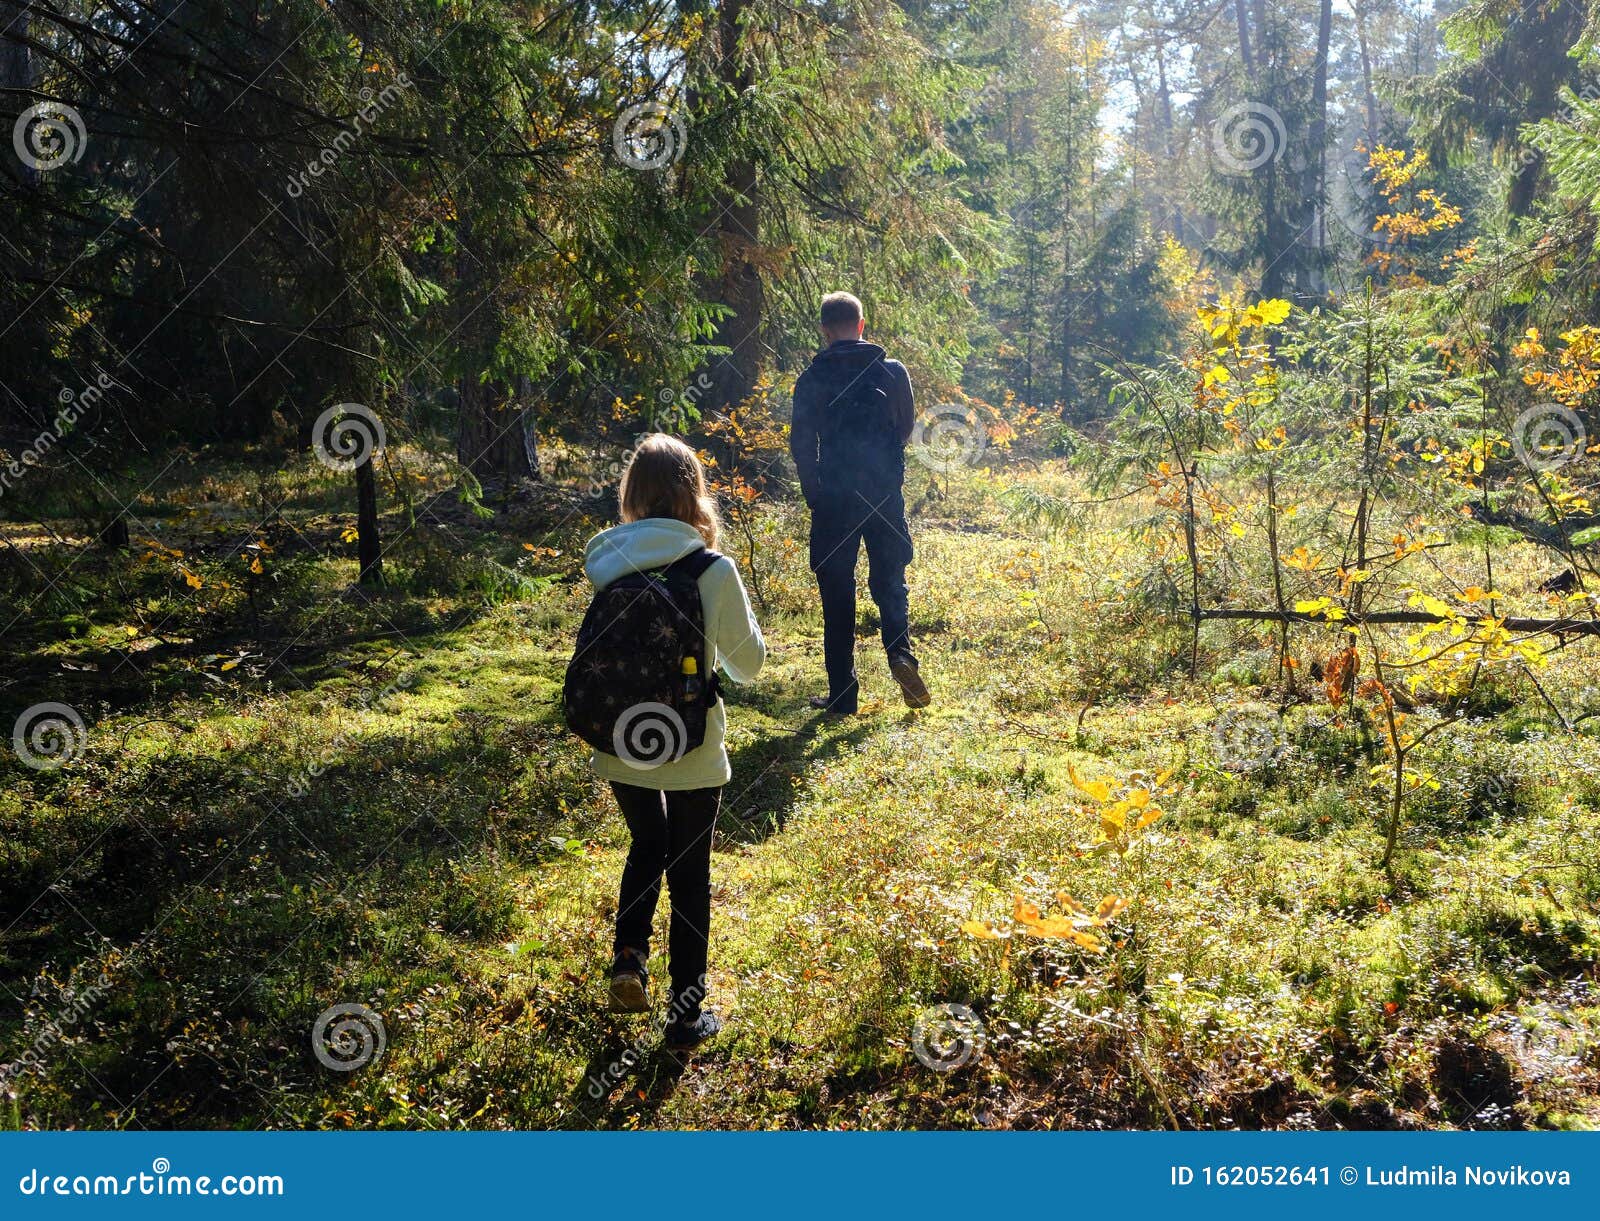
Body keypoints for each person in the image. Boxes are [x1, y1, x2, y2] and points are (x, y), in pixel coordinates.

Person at [582, 434, 766, 1050]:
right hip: (693, 744)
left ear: (631, 495)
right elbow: (749, 666)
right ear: (695, 495)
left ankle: (629, 957)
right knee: (689, 874)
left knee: (645, 843)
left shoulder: (607, 562)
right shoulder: (712, 570)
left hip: (619, 741)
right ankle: (685, 1018)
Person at [789, 291, 931, 715]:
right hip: (884, 493)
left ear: (825, 330)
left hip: (834, 496)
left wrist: (814, 490)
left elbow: (801, 443)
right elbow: (905, 429)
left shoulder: (812, 377)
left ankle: (843, 693)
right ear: (862, 325)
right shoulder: (891, 371)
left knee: (836, 589)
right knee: (889, 580)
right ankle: (901, 655)